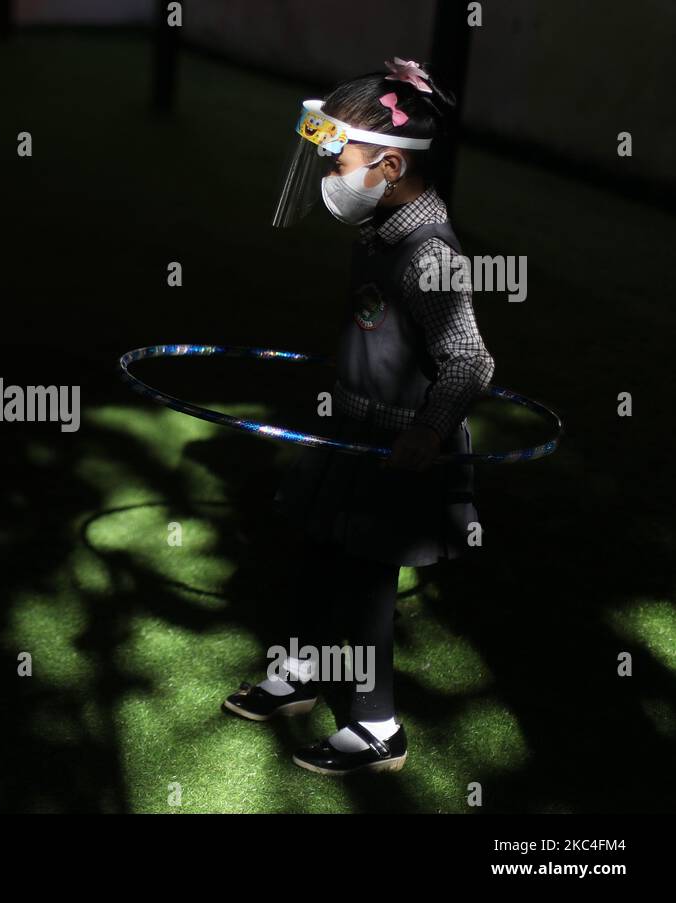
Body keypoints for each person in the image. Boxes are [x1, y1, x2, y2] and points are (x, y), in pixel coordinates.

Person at [222, 58, 495, 774]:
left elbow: (471, 358)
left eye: (336, 159)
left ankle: (378, 727)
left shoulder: (427, 249)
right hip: (353, 426)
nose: (328, 175)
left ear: (390, 163)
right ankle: (304, 670)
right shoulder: (381, 228)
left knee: (368, 583)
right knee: (315, 552)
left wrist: (426, 430)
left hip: (397, 443)